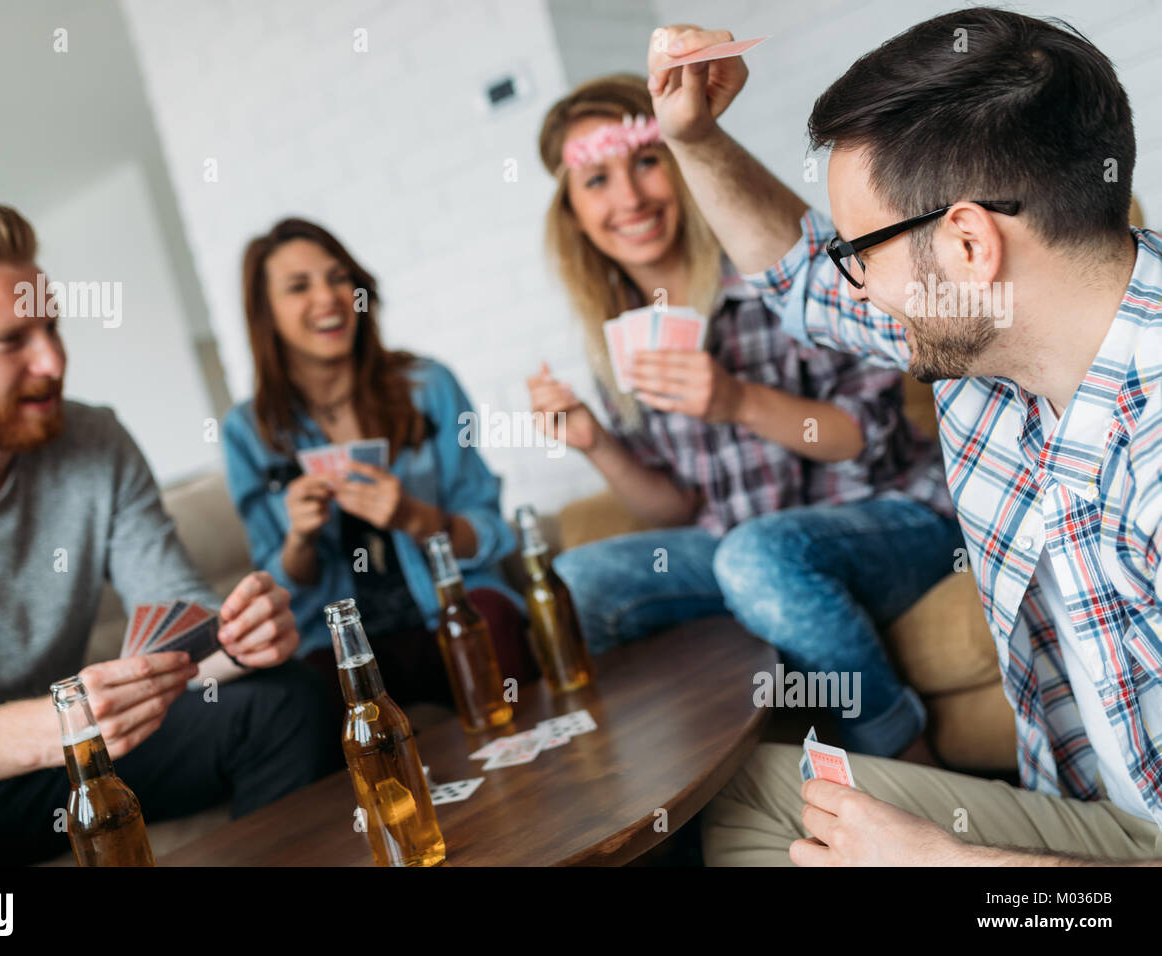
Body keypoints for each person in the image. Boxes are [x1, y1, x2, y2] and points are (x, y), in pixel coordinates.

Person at [647, 11, 1162, 864]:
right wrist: (696, 140)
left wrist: (946, 864)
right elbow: (800, 279)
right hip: (1094, 816)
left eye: (861, 251)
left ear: (968, 242)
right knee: (750, 801)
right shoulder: (999, 329)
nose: (854, 283)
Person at [0, 199, 340, 866]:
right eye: (10, 342)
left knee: (289, 701)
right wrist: (53, 725)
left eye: (51, 327)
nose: (53, 362)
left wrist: (243, 641)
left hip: (70, 766)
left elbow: (177, 614)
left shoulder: (96, 441)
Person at [528, 73, 959, 761]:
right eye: (597, 181)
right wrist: (595, 444)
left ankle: (903, 760)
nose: (630, 197)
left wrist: (738, 402)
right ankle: (665, 789)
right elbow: (677, 509)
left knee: (758, 556)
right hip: (742, 549)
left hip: (892, 517)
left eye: (646, 162)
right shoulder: (620, 337)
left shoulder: (771, 272)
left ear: (680, 166)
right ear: (574, 213)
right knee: (579, 582)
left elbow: (867, 441)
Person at [222, 217, 533, 723]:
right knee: (303, 692)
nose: (328, 298)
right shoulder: (248, 430)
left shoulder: (428, 386)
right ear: (266, 314)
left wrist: (416, 517)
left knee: (491, 617)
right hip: (340, 645)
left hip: (444, 613)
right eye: (299, 287)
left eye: (339, 278)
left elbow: (495, 533)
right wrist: (300, 539)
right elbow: (276, 584)